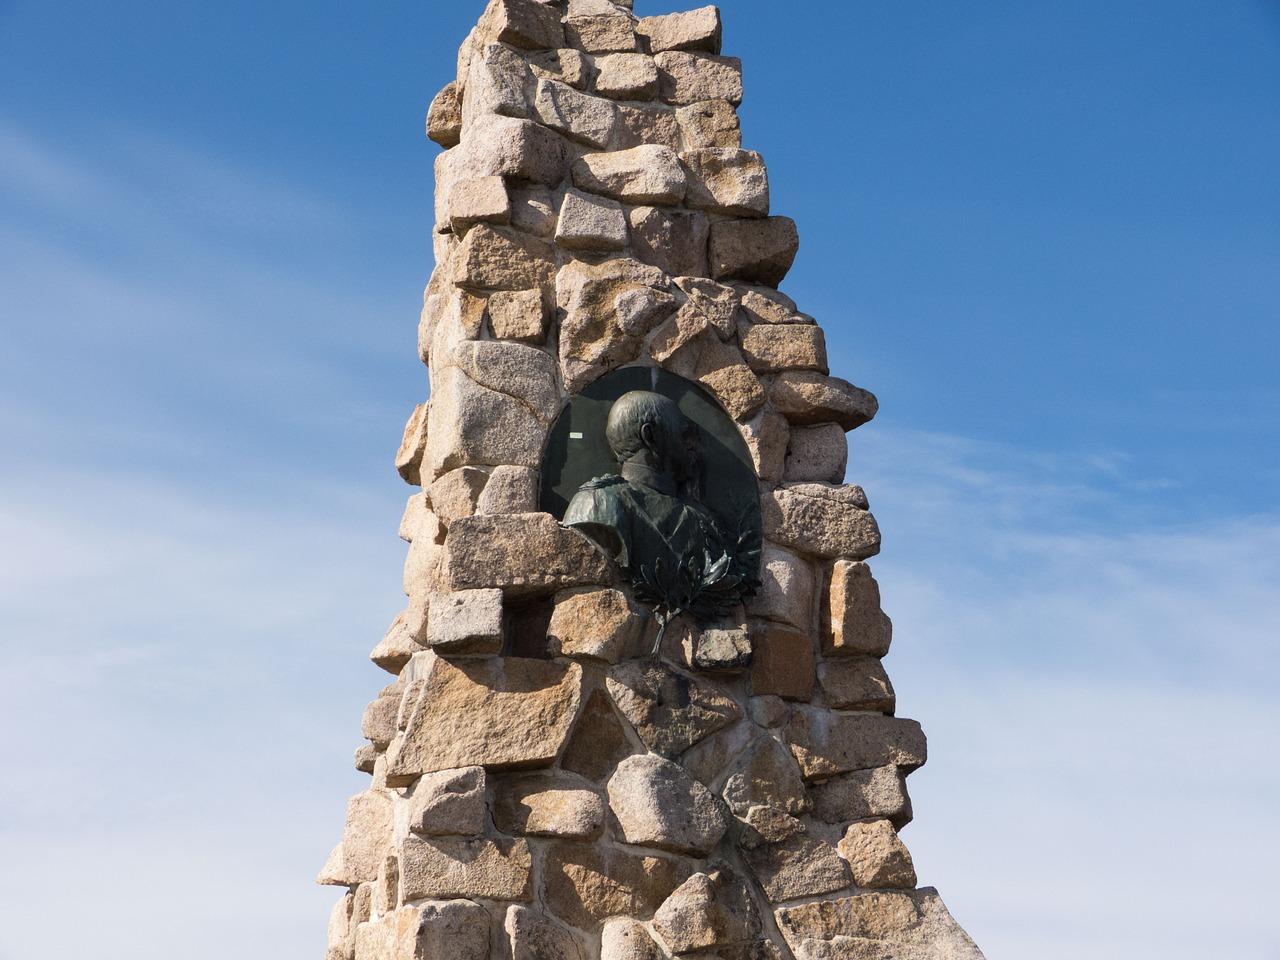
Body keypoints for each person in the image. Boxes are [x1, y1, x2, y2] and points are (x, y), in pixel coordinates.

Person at [563, 390, 726, 577]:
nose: (693, 444)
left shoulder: (702, 518)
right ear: (650, 436)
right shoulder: (597, 505)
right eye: (684, 435)